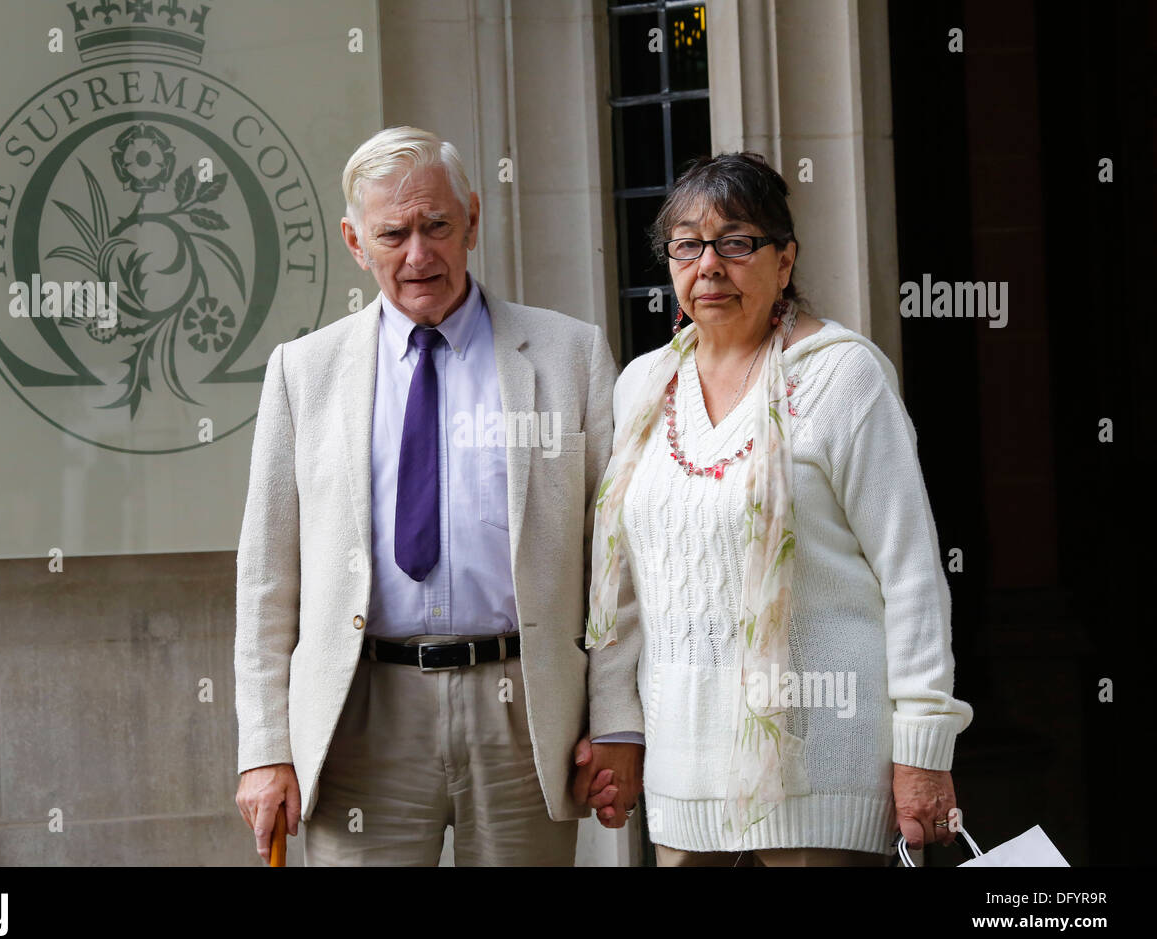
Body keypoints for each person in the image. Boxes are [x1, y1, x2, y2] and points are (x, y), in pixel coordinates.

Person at [233, 126, 618, 865]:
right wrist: (263, 748)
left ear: (472, 217)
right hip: (360, 715)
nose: (419, 254)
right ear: (355, 241)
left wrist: (616, 719)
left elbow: (612, 566)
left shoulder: (571, 355)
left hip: (524, 710)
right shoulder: (301, 373)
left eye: (438, 225)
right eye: (393, 233)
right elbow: (265, 580)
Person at [582, 152, 974, 865]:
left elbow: (912, 573)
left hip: (821, 763)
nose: (710, 264)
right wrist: (619, 727)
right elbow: (623, 589)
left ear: (785, 259)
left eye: (737, 242)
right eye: (687, 245)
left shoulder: (843, 376)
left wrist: (923, 748)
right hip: (684, 772)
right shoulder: (642, 387)